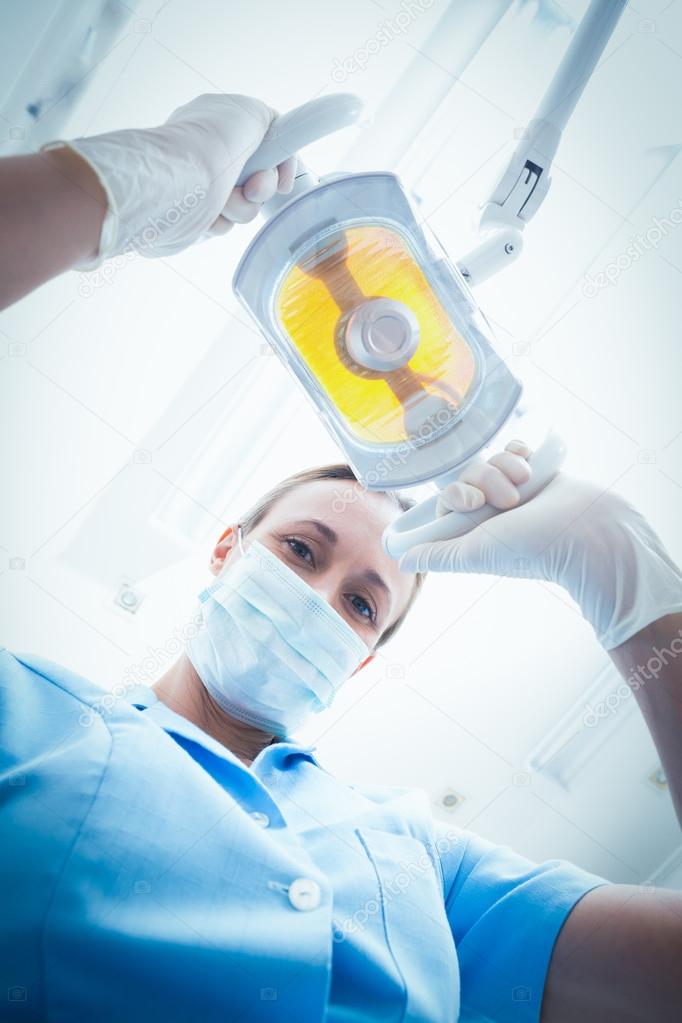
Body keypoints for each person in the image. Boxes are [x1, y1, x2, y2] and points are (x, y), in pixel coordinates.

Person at [1, 94, 681, 1023]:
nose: (321, 596)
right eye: (300, 549)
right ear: (225, 550)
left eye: (363, 604)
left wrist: (631, 580)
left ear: (364, 656)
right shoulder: (29, 716)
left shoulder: (427, 865)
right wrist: (95, 192)